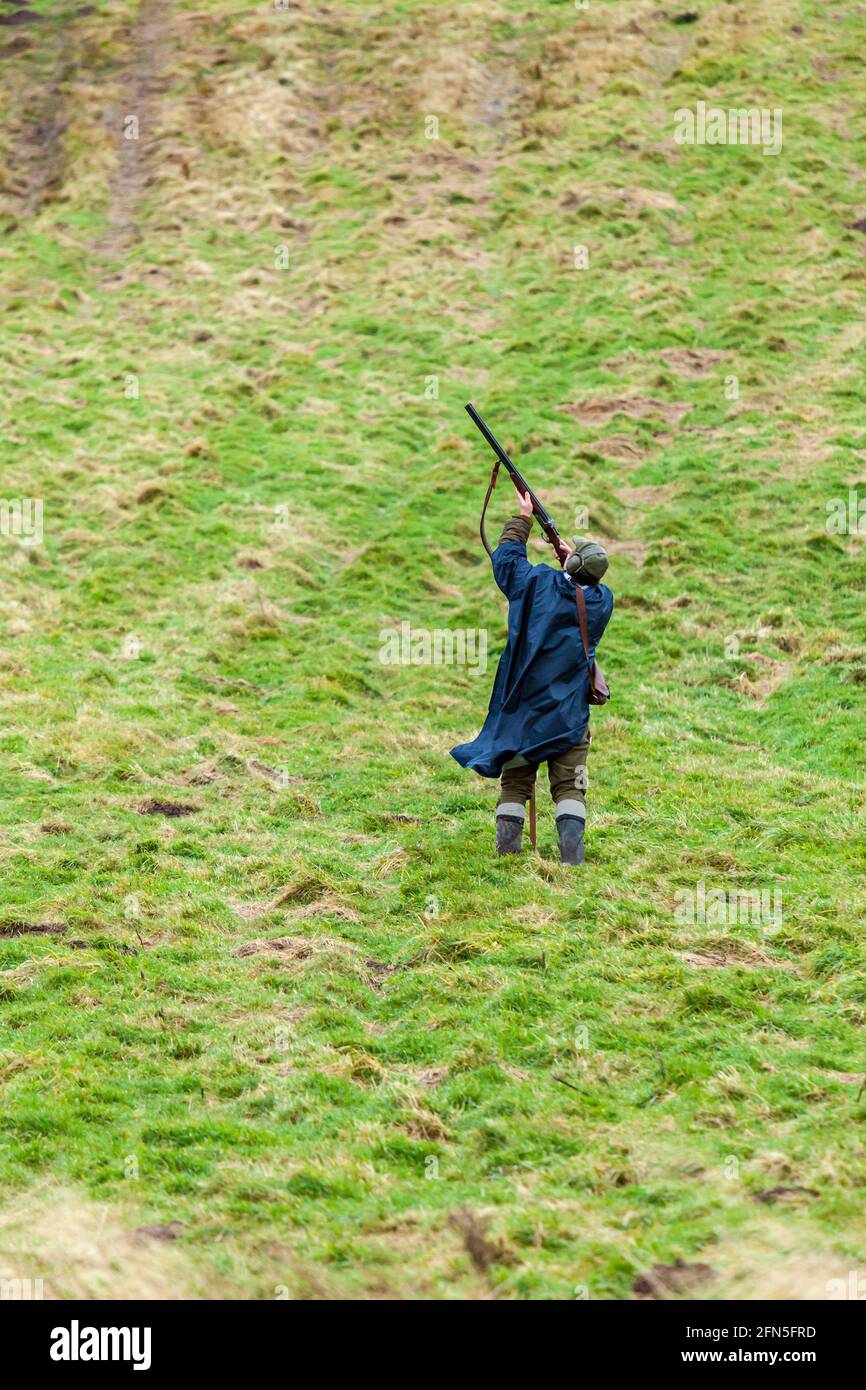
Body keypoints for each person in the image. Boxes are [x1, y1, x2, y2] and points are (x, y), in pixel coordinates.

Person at [451, 490, 613, 864]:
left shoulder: (539, 584)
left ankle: (507, 857)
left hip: (522, 712)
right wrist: (567, 560)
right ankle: (572, 859)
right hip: (568, 714)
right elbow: (580, 587)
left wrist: (522, 520)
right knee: (571, 787)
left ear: (570, 566)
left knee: (516, 783)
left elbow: (507, 564)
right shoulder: (603, 602)